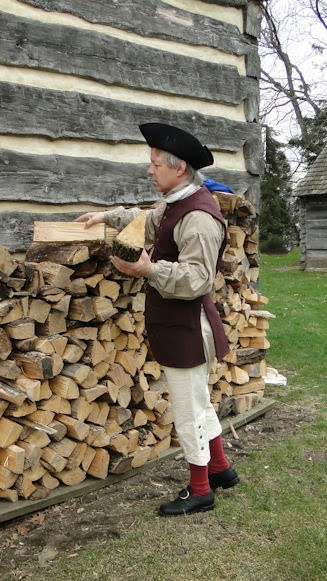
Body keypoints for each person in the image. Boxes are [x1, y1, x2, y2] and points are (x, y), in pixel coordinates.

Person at [76, 122, 239, 516]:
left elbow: (198, 278)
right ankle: (220, 470)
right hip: (176, 324)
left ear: (178, 167)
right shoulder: (177, 201)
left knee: (188, 409)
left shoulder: (198, 217)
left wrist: (149, 270)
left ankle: (200, 490)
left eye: (154, 164)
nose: (149, 171)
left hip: (188, 327)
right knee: (199, 402)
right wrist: (106, 216)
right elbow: (149, 220)